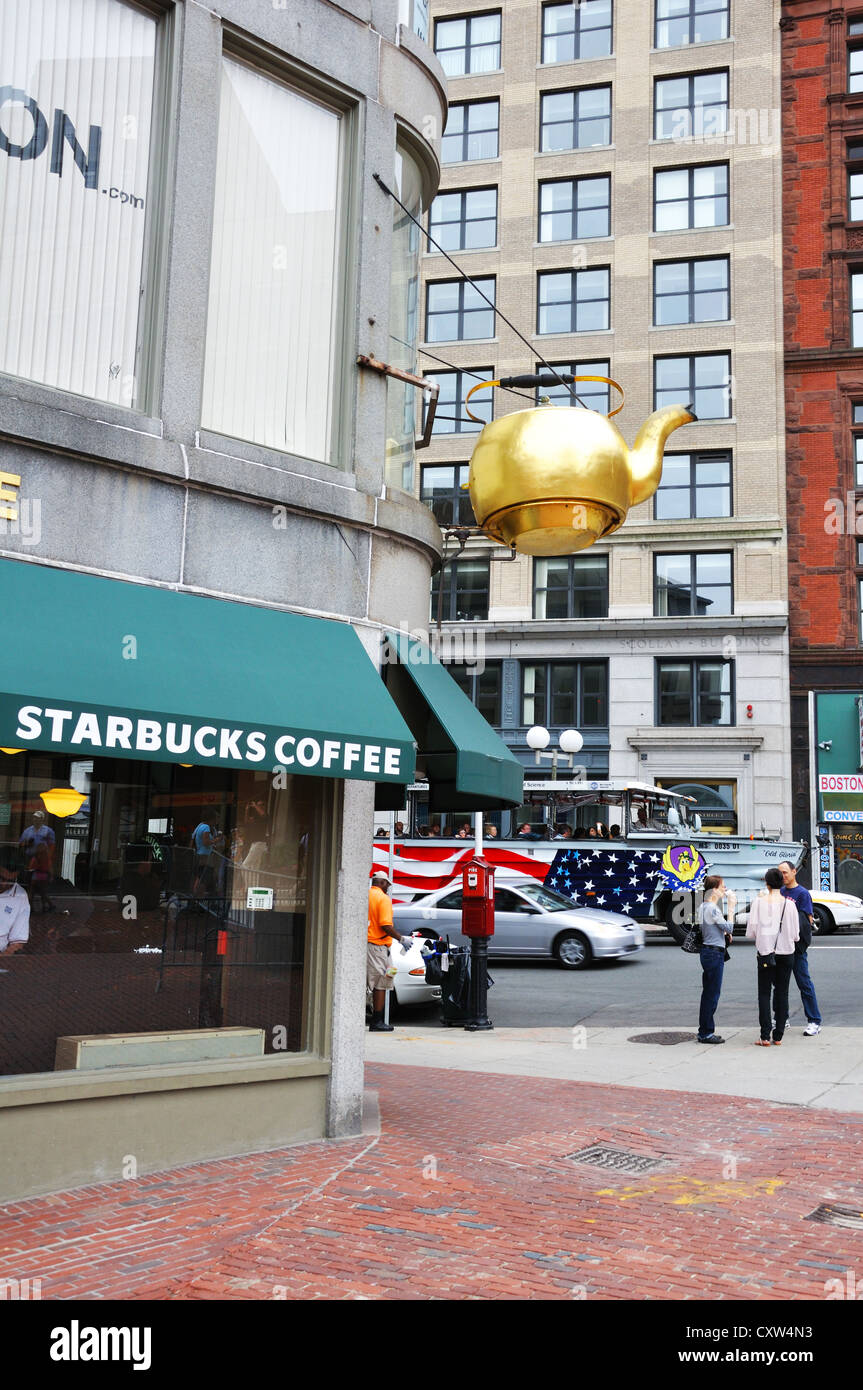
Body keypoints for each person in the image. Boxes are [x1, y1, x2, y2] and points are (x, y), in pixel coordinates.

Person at [746, 867, 799, 1046]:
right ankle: (778, 1036)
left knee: (764, 993)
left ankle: (764, 1036)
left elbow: (751, 932)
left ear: (766, 883)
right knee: (782, 992)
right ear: (782, 882)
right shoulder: (790, 904)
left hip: (766, 953)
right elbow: (796, 935)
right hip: (787, 953)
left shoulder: (758, 903)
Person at [779, 859, 822, 1036]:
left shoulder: (802, 893)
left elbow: (808, 920)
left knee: (804, 983)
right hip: (781, 946)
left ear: (794, 871)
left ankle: (814, 1021)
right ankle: (782, 1018)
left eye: (785, 872)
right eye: (779, 873)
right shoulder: (780, 891)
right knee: (781, 985)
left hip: (796, 947)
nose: (782, 876)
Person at [367, 870, 414, 1033]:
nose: (388, 887)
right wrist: (401, 939)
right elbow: (385, 925)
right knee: (381, 983)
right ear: (381, 882)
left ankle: (377, 1018)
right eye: (387, 883)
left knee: (389, 974)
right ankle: (377, 1021)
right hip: (377, 946)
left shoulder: (366, 895)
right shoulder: (383, 898)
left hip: (378, 946)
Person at [696, 874, 735, 1044]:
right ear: (714, 890)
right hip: (713, 953)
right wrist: (732, 907)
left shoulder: (703, 906)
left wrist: (723, 934)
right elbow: (729, 927)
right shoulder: (712, 908)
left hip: (707, 951)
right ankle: (706, 1033)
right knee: (712, 994)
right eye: (722, 887)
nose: (725, 890)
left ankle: (704, 1030)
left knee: (708, 993)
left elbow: (712, 928)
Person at [19, 810, 56, 912]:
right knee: (31, 884)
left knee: (37, 885)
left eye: (38, 818)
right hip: (30, 859)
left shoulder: (48, 831)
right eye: (34, 817)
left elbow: (52, 847)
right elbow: (20, 844)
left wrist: (48, 860)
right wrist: (26, 843)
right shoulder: (27, 831)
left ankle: (43, 905)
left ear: (42, 819)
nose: (36, 819)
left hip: (42, 860)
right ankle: (45, 904)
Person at [0, 845, 30, 956]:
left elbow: (17, 943)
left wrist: (3, 958)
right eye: (1, 878)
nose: (3, 884)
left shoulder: (20, 896)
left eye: (10, 881)